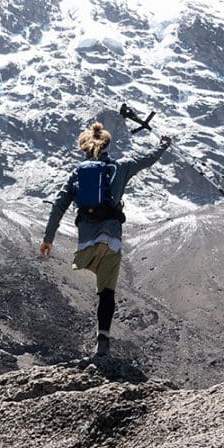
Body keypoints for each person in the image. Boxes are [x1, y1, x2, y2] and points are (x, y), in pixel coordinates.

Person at [40, 121, 171, 357]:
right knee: (106, 292)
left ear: (83, 149)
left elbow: (59, 205)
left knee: (90, 278)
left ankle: (98, 343)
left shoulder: (77, 173)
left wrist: (48, 238)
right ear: (108, 145)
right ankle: (103, 342)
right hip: (112, 239)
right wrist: (163, 145)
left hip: (87, 243)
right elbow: (148, 159)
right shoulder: (121, 167)